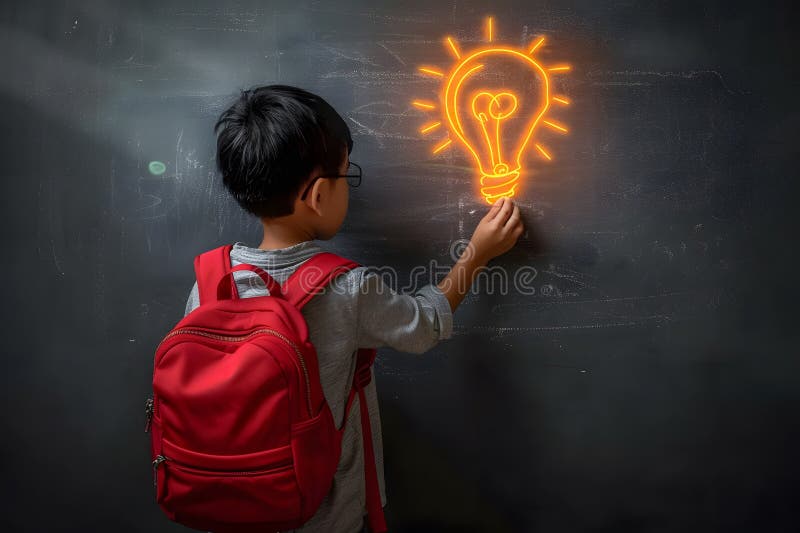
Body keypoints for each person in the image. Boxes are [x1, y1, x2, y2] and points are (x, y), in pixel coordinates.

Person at [183, 84, 524, 533]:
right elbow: (423, 325)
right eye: (348, 175)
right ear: (319, 195)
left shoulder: (209, 282)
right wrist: (476, 255)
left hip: (231, 506)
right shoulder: (346, 288)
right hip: (321, 514)